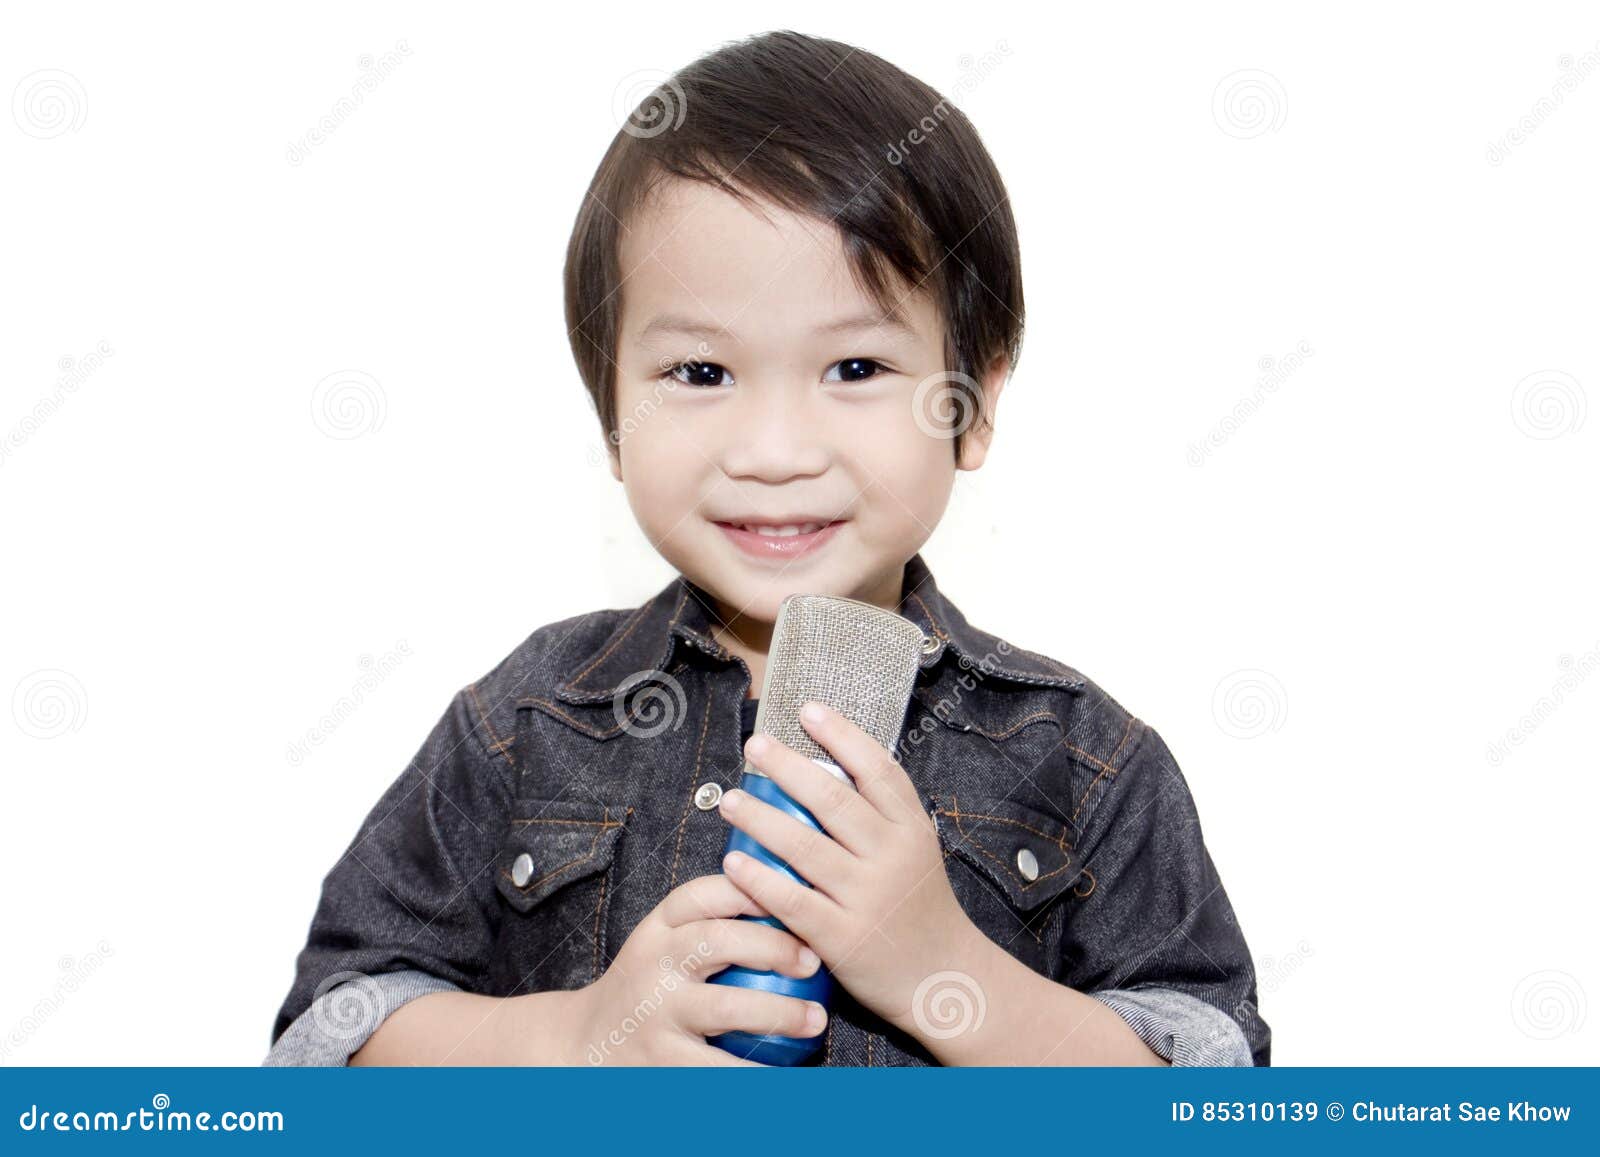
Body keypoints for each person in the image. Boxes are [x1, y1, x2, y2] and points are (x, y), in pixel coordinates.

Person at [266, 29, 1269, 1067]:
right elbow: (328, 1037)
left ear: (971, 405)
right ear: (611, 416)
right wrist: (576, 1037)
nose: (775, 451)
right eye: (701, 373)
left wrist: (945, 974)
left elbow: (1212, 1089)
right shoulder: (526, 721)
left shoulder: (1080, 756)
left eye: (854, 367)